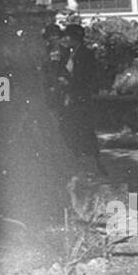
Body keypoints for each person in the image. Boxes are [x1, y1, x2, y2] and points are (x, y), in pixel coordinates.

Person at [57, 22, 103, 173]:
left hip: (80, 96)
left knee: (85, 129)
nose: (65, 39)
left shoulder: (85, 54)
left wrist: (69, 82)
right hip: (71, 96)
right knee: (74, 129)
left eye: (68, 36)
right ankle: (82, 162)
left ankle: (95, 162)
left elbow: (85, 76)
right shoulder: (68, 53)